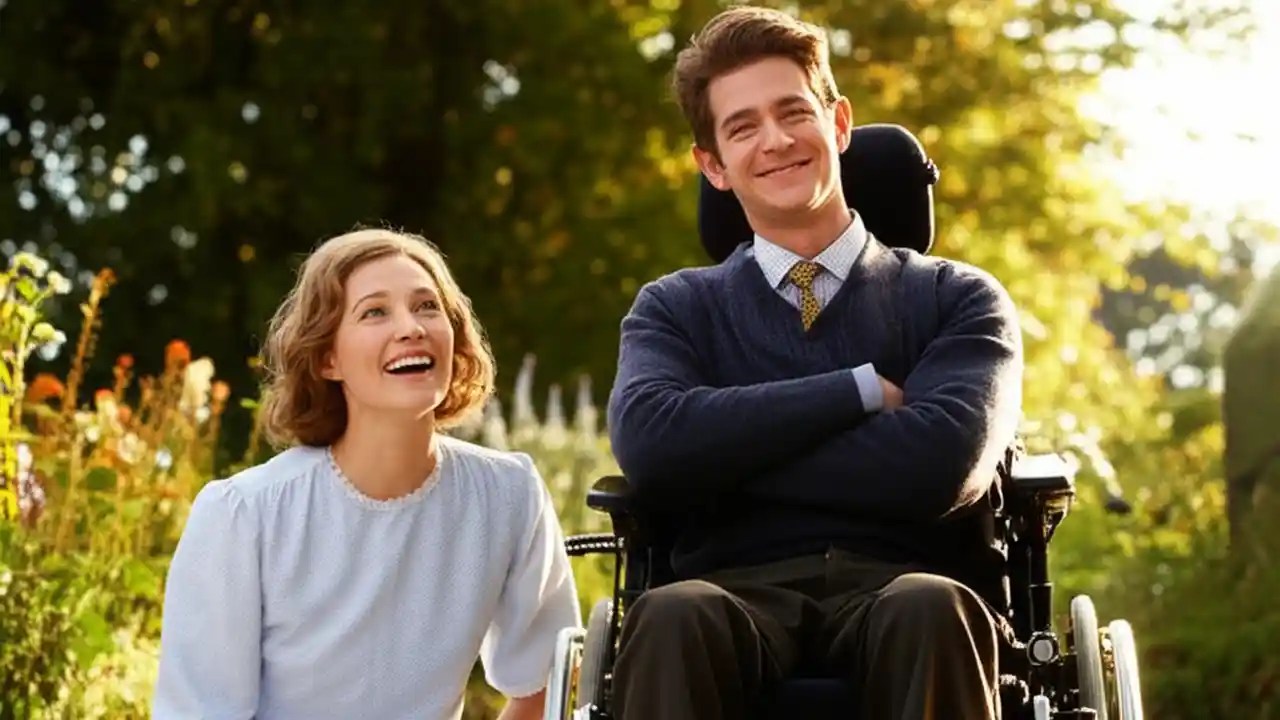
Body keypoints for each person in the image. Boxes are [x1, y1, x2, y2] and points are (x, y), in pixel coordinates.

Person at [606, 7, 1023, 720]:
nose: (774, 141)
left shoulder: (956, 298)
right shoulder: (675, 308)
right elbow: (651, 444)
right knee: (673, 617)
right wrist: (857, 390)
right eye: (742, 127)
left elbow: (941, 465)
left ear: (837, 124)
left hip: (907, 581)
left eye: (792, 112)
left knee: (930, 605)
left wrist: (726, 456)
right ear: (713, 164)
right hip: (727, 589)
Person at [153, 228, 581, 720]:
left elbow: (543, 683)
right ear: (327, 358)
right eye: (375, 312)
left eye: (427, 307)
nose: (411, 327)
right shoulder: (244, 515)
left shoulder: (508, 495)